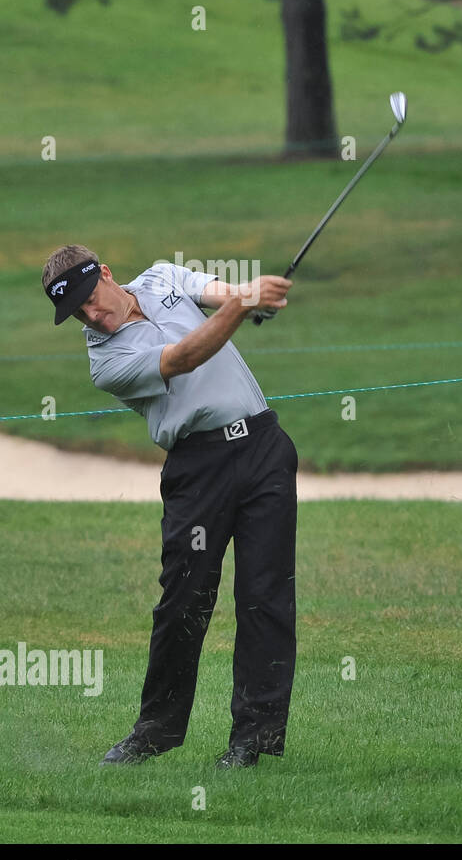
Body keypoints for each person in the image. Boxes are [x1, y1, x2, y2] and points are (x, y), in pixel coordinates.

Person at [41, 245, 297, 768]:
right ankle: (156, 731)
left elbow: (221, 293)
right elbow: (182, 359)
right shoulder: (105, 361)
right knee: (184, 601)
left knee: (265, 595)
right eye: (78, 315)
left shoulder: (162, 277)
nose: (92, 316)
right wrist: (242, 306)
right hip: (198, 469)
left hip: (263, 448)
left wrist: (250, 297)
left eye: (91, 299)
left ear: (106, 274)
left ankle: (255, 740)